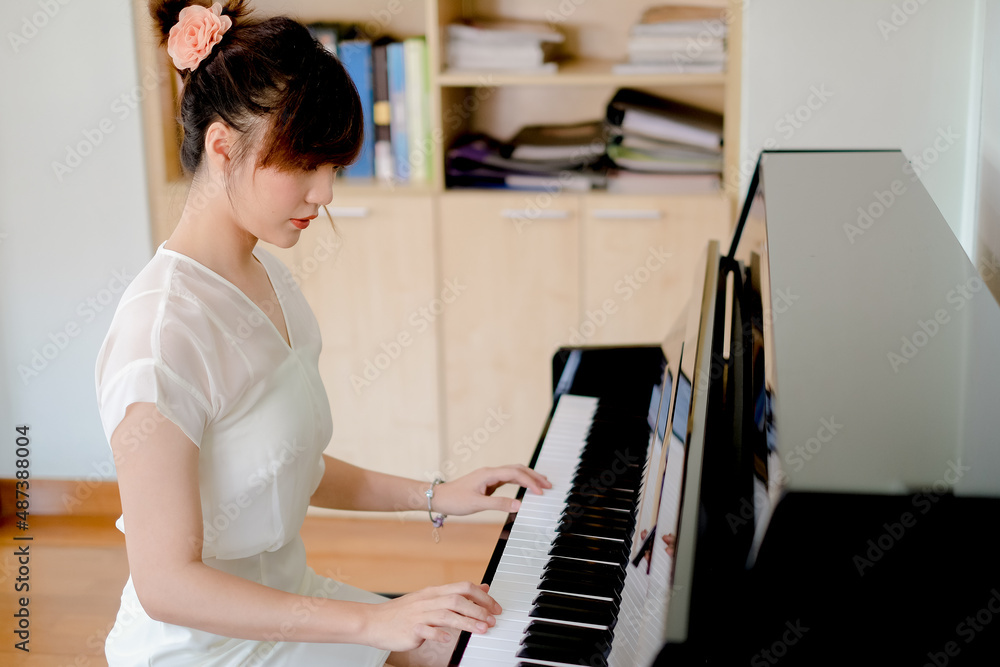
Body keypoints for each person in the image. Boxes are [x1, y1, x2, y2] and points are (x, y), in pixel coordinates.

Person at [93, 2, 551, 665]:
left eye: (333, 165)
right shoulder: (162, 336)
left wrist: (436, 495)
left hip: (289, 604)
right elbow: (166, 583)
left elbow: (286, 463)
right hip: (201, 648)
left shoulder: (267, 281)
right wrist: (374, 623)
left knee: (491, 640)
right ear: (222, 148)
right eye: (307, 163)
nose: (326, 192)